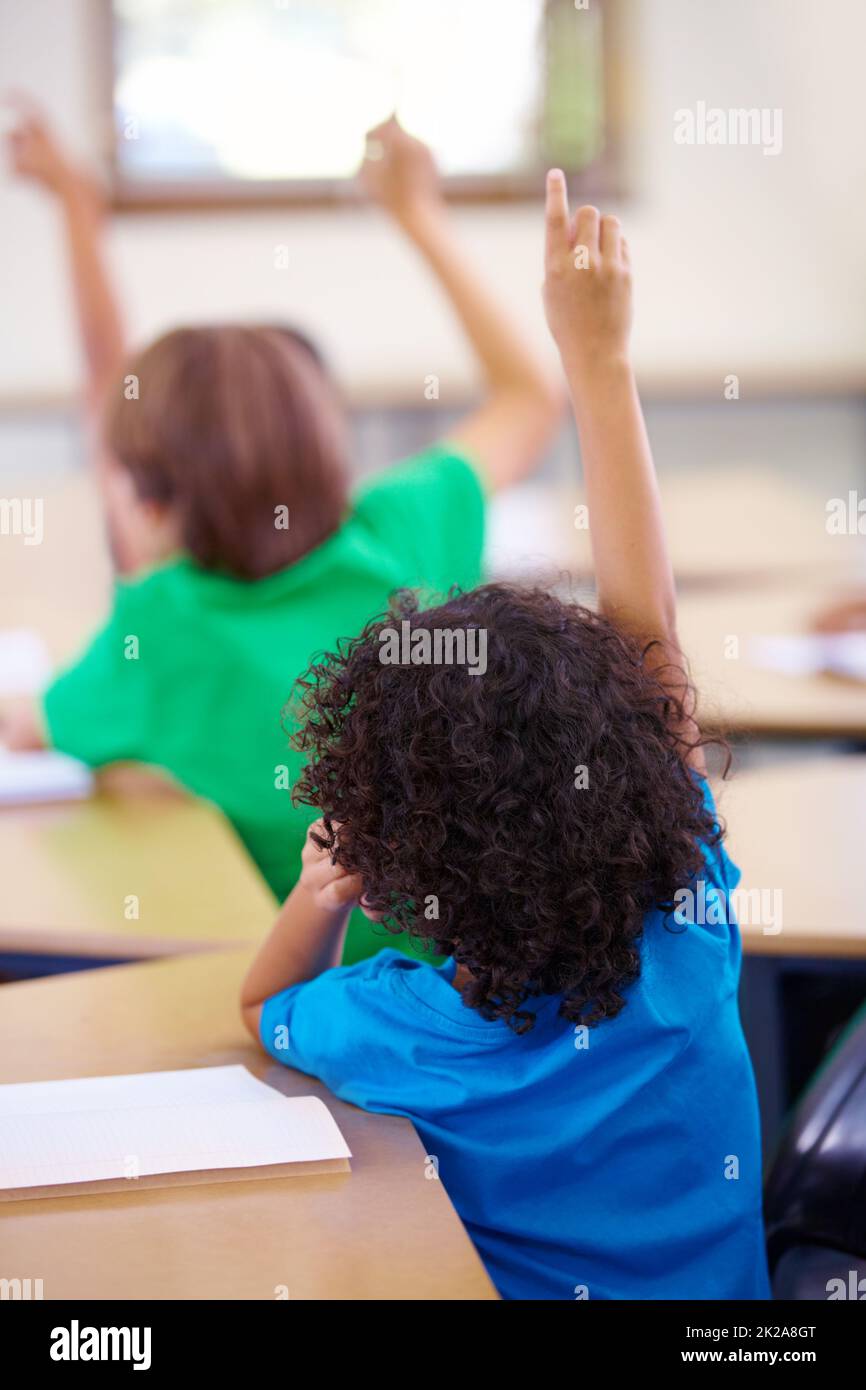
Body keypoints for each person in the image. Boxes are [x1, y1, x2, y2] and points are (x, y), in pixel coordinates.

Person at [240, 175, 771, 1300]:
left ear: (385, 873)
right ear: (632, 777)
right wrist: (599, 359)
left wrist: (317, 894)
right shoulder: (689, 921)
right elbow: (652, 645)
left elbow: (256, 1011)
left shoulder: (393, 1026)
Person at [1, 114, 563, 964]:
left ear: (148, 499)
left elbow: (34, 724)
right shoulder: (406, 527)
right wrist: (420, 214)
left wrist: (78, 212)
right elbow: (530, 394)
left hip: (311, 1005)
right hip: (485, 981)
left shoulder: (157, 624)